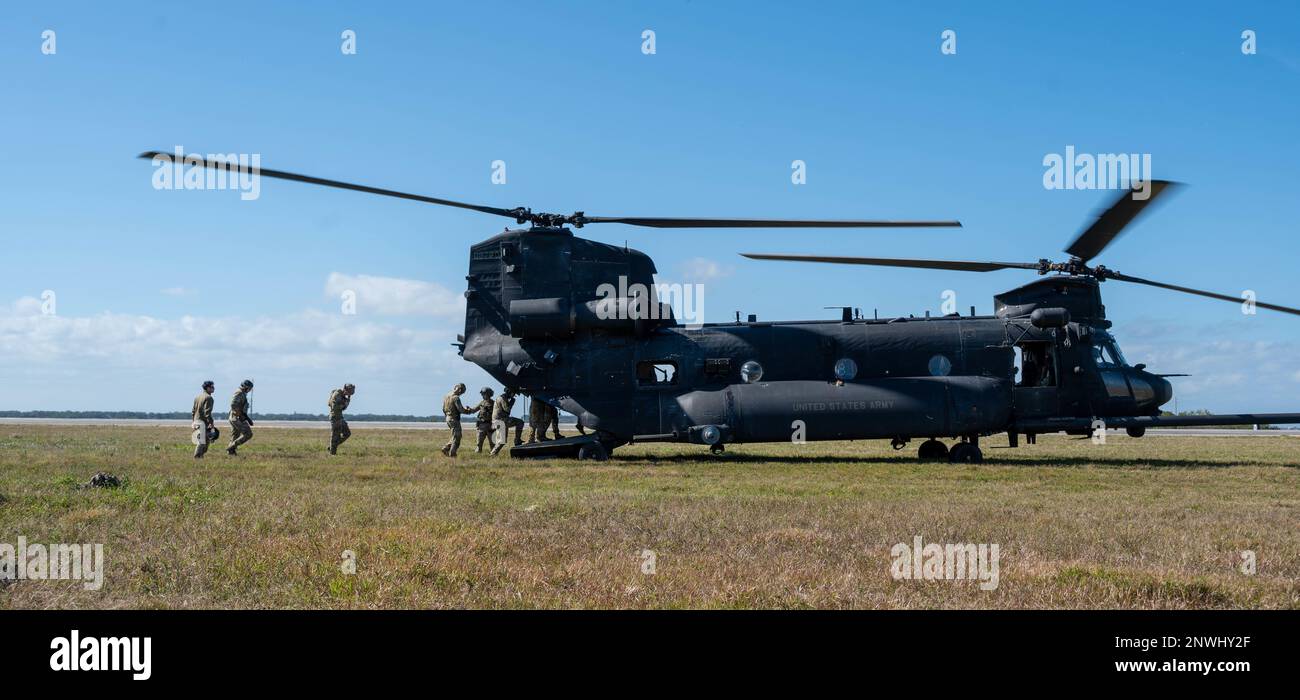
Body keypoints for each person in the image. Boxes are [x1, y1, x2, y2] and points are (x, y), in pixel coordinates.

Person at [489, 388, 525, 456]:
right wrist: (512, 402)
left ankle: (493, 454)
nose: (513, 396)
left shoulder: (501, 397)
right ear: (509, 392)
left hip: (499, 421)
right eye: (513, 394)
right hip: (501, 421)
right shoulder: (503, 398)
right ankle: (517, 441)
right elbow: (507, 410)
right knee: (520, 422)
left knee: (502, 441)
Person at [441, 383, 472, 457]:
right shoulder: (456, 398)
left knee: (455, 436)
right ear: (459, 389)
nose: (461, 393)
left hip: (448, 418)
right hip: (454, 419)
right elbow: (461, 409)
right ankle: (452, 453)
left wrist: (447, 416)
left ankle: (447, 448)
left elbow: (443, 408)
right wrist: (468, 411)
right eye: (462, 391)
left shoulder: (446, 396)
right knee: (457, 438)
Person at [227, 379, 255, 455]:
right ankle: (232, 446)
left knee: (235, 435)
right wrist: (240, 414)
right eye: (249, 388)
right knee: (248, 434)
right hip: (236, 418)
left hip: (236, 417)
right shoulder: (239, 393)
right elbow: (233, 405)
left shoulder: (242, 393)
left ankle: (231, 452)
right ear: (245, 387)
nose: (249, 390)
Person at [328, 383, 356, 455]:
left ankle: (332, 446)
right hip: (335, 417)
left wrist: (347, 401)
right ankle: (332, 453)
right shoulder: (337, 395)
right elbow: (335, 407)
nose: (349, 394)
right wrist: (344, 404)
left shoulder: (343, 396)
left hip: (340, 417)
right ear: (345, 389)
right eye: (349, 392)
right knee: (335, 435)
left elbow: (343, 408)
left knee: (347, 433)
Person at [191, 380, 216, 459]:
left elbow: (193, 411)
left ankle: (200, 455)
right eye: (212, 387)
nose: (214, 388)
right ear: (208, 388)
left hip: (196, 421)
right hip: (203, 422)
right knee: (202, 440)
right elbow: (207, 413)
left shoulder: (197, 397)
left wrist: (193, 422)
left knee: (206, 440)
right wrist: (211, 424)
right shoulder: (209, 398)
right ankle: (197, 456)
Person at [472, 387, 496, 453]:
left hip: (490, 426)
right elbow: (474, 409)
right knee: (479, 444)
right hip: (481, 426)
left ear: (488, 394)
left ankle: (493, 456)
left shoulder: (494, 403)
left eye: (484, 394)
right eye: (482, 394)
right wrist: (468, 410)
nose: (482, 395)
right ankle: (478, 456)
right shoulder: (482, 403)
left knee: (493, 444)